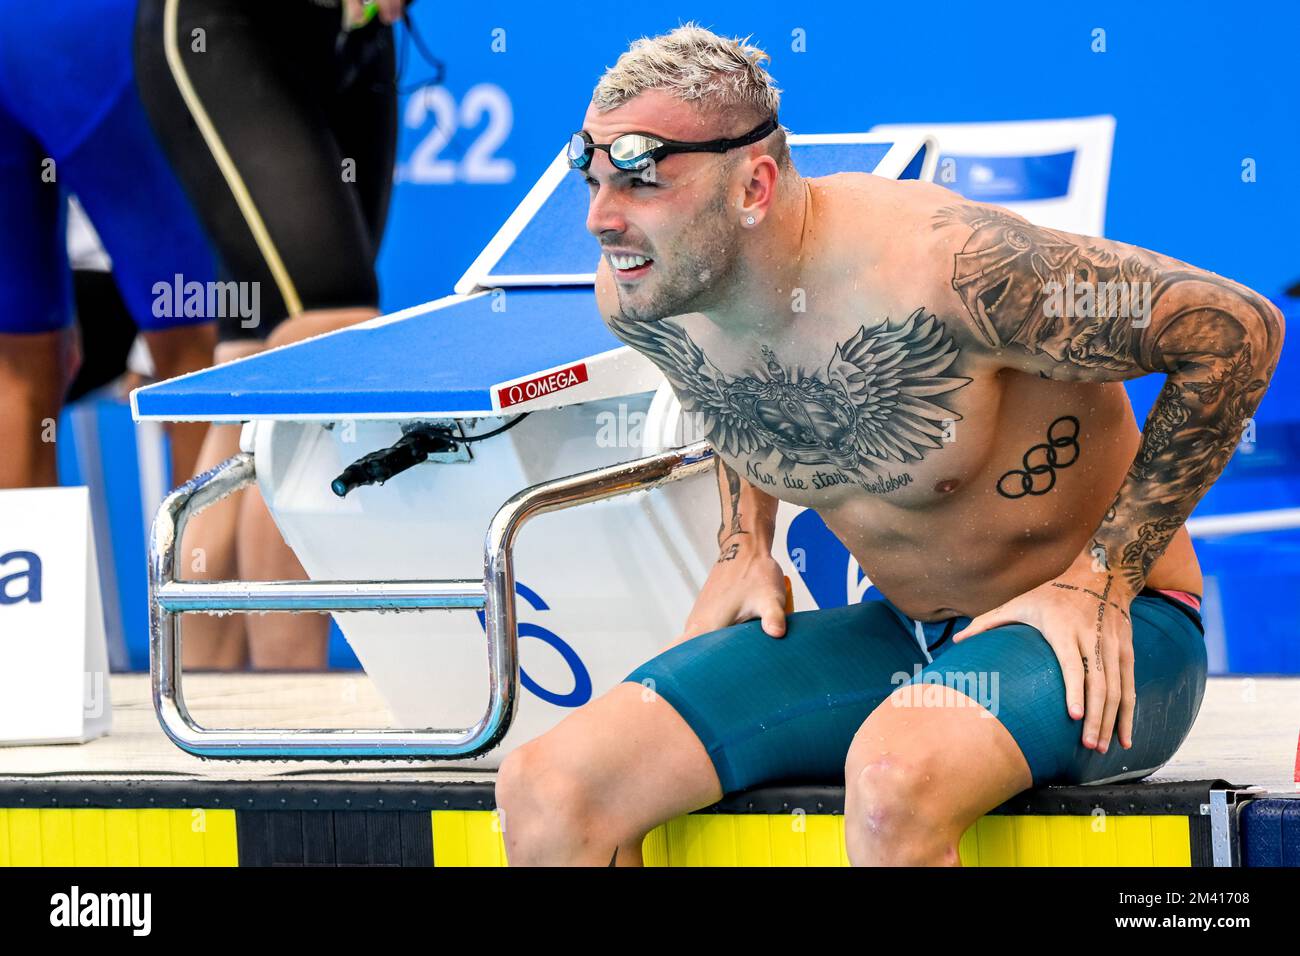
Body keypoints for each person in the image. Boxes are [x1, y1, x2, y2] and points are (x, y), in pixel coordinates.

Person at [493, 23, 1285, 866]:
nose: (600, 220)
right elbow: (734, 377)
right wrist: (742, 543)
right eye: (593, 175)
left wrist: (1101, 580)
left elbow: (1236, 330)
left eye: (642, 179)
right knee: (550, 789)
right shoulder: (649, 290)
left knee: (893, 778)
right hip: (903, 633)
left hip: (1112, 642)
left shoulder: (949, 272)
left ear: (754, 184)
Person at [133, 0, 406, 669]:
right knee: (327, 334)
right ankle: (293, 704)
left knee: (257, 362)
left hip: (358, 36)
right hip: (227, 31)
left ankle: (204, 690)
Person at [0, 1, 217, 491]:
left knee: (12, 358)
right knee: (196, 349)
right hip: (90, 33)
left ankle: (24, 569)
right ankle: (200, 568)